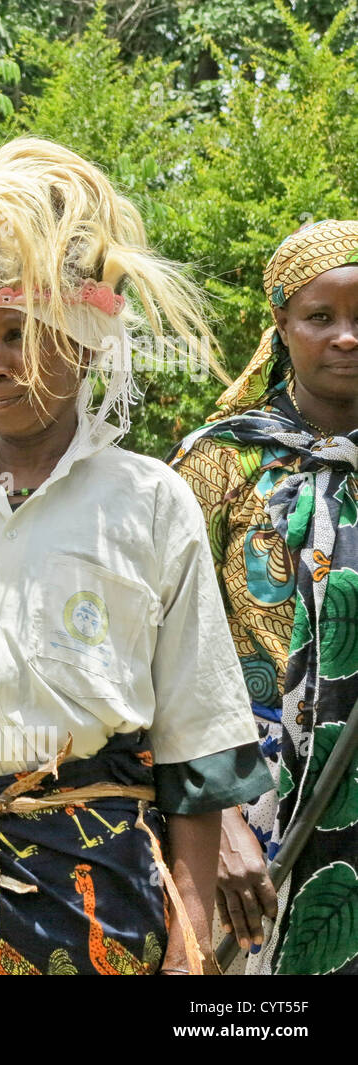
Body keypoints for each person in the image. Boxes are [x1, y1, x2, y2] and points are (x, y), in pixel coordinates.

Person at [0, 136, 271, 976]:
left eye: (20, 335)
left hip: (99, 885)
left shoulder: (148, 501)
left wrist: (187, 954)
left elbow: (195, 744)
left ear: (83, 343)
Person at [170, 218, 358, 975]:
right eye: (322, 317)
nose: (347, 337)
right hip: (252, 819)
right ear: (280, 322)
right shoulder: (217, 462)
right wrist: (216, 822)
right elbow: (162, 654)